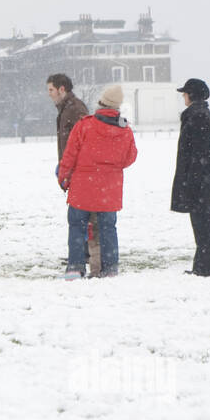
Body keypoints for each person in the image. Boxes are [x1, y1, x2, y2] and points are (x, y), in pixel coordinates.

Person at [57, 84, 138, 279]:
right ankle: (110, 268)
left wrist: (64, 178)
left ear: (100, 104)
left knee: (77, 226)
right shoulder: (125, 131)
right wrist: (111, 167)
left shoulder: (85, 125)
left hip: (82, 186)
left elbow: (69, 155)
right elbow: (130, 157)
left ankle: (75, 267)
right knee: (108, 227)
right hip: (109, 188)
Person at [47, 73, 99, 275]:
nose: (49, 95)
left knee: (82, 215)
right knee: (80, 214)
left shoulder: (76, 108)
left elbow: (85, 139)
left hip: (79, 170)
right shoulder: (64, 109)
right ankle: (81, 253)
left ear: (62, 89)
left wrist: (72, 166)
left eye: (51, 90)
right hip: (69, 167)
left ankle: (82, 256)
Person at [171, 78, 210, 276]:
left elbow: (198, 152)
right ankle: (203, 265)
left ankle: (205, 267)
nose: (183, 97)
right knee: (202, 221)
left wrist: (192, 178)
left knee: (202, 222)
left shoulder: (197, 115)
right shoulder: (199, 114)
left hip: (200, 177)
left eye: (185, 93)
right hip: (202, 175)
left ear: (191, 95)